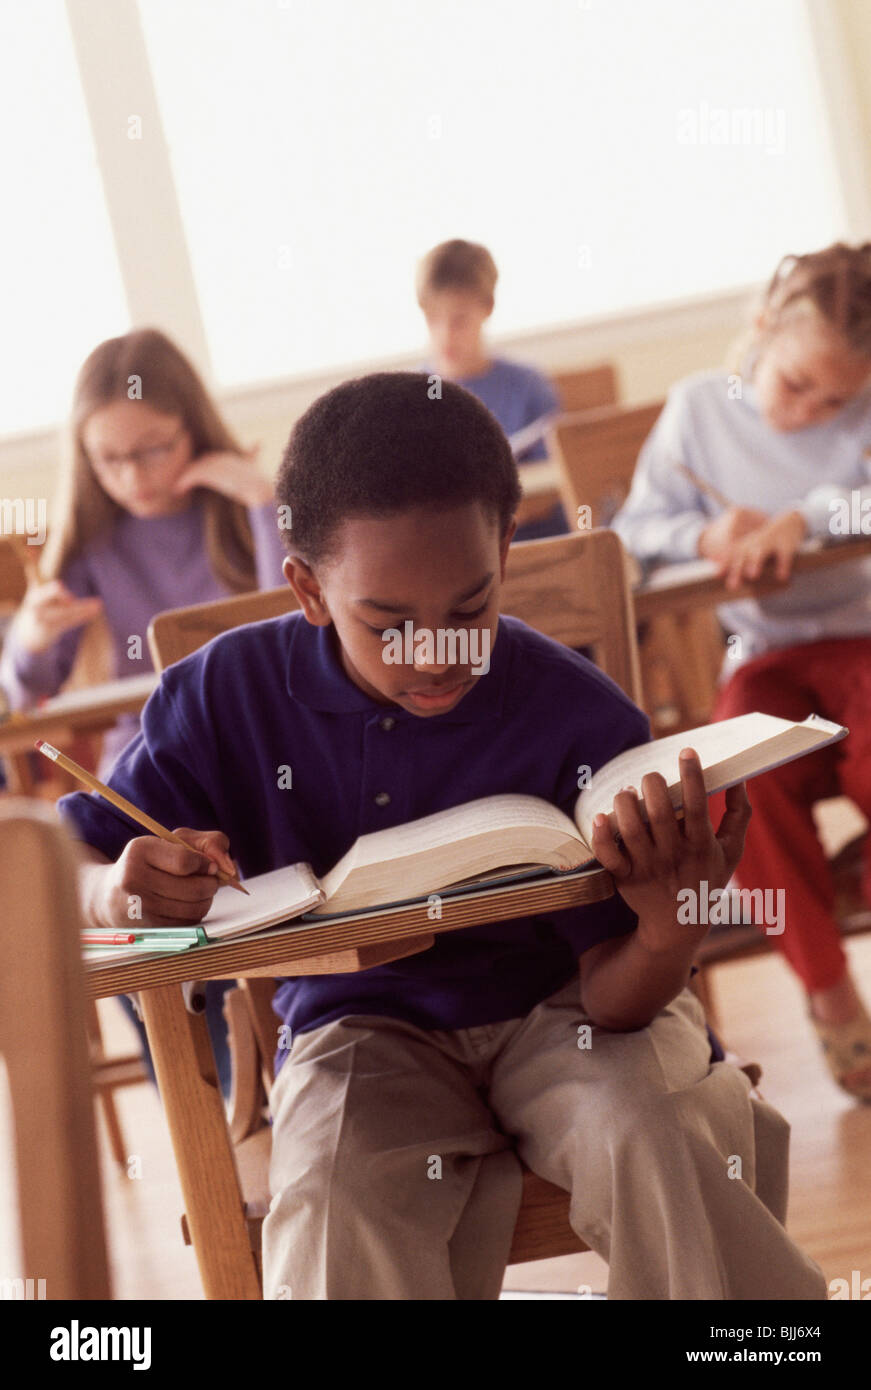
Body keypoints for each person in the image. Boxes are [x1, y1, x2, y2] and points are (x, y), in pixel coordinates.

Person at [57, 372, 825, 1299]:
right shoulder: (227, 697)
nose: (436, 655)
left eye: (469, 610)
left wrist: (668, 930)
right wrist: (114, 891)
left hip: (572, 1017)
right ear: (306, 589)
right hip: (361, 1030)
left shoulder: (574, 712)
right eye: (385, 624)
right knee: (337, 1193)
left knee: (657, 1133)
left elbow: (618, 1004)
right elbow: (61, 863)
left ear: (504, 549)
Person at [612, 242, 871, 1102]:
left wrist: (806, 519)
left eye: (833, 399)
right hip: (763, 656)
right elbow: (637, 530)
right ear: (759, 330)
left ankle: (841, 878)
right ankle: (829, 990)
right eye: (795, 384)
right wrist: (702, 537)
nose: (808, 411)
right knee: (732, 783)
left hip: (863, 644)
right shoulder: (697, 410)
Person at [0, 327, 288, 1093]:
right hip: (147, 772)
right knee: (120, 909)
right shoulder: (91, 546)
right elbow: (24, 695)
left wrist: (263, 502)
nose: (133, 475)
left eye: (153, 448)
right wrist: (27, 637)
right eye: (109, 459)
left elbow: (290, 624)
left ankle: (273, 1068)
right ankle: (218, 1097)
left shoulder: (236, 512)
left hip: (256, 751)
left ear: (191, 424)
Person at [417, 238, 566, 539]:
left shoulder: (528, 386)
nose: (446, 334)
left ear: (487, 307)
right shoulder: (412, 396)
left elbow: (559, 480)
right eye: (434, 319)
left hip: (532, 540)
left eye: (459, 319)